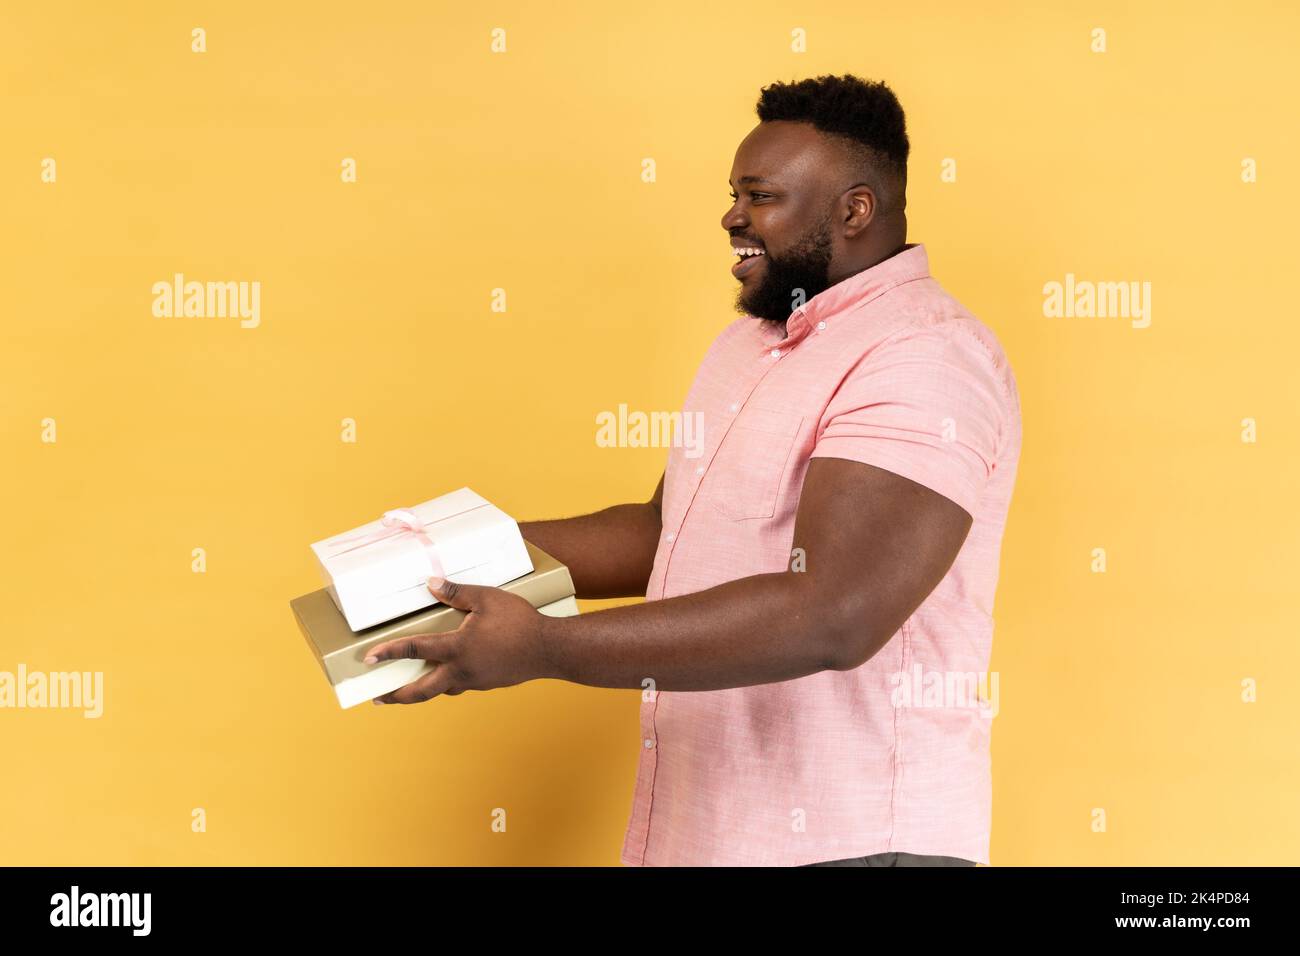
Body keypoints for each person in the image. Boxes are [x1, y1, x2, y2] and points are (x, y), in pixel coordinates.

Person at [366, 74, 1022, 868]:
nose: (732, 217)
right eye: (734, 194)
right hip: (705, 833)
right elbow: (662, 533)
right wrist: (436, 563)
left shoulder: (924, 357)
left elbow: (836, 611)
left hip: (855, 845)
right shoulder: (747, 346)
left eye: (761, 196)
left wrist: (545, 647)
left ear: (854, 210)